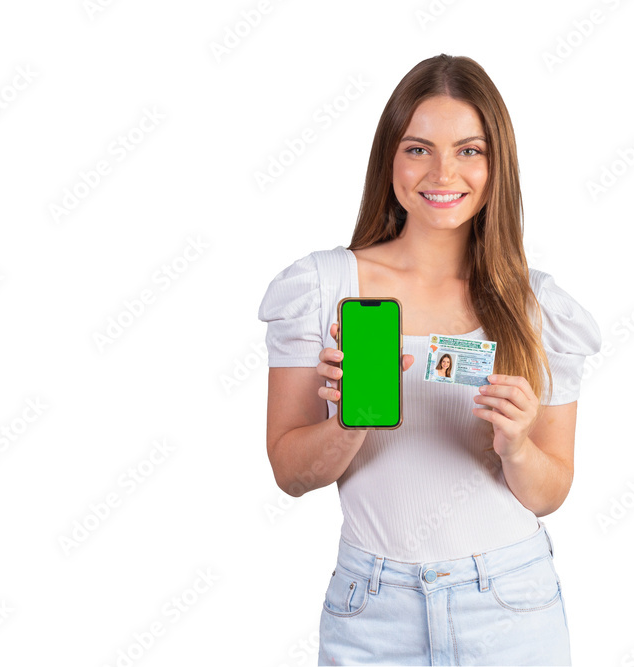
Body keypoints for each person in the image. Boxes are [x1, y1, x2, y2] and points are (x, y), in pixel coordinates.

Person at [258, 53, 602, 666]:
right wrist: (349, 422)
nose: (443, 171)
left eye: (470, 150)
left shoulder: (539, 306)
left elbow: (550, 493)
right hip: (372, 611)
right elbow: (290, 473)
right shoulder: (321, 286)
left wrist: (518, 444)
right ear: (389, 157)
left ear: (498, 165)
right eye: (418, 148)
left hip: (510, 606)